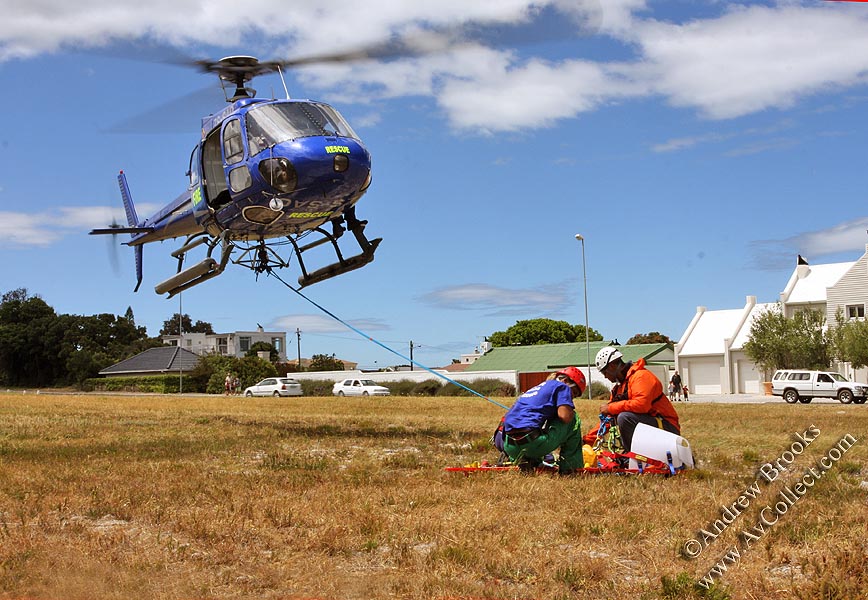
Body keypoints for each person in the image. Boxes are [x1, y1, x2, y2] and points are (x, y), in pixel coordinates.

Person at [501, 366, 586, 475]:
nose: (571, 398)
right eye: (573, 393)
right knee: (573, 419)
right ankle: (570, 468)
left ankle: (530, 462)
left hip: (510, 447)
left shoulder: (537, 388)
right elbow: (565, 416)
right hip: (532, 444)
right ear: (565, 380)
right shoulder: (562, 387)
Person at [595, 346, 680, 452]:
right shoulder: (620, 388)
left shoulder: (641, 376)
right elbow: (608, 419)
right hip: (653, 427)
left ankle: (633, 456)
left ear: (612, 366)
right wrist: (588, 439)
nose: (605, 377)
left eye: (604, 372)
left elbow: (641, 405)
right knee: (620, 417)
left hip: (668, 429)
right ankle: (633, 456)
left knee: (624, 417)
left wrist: (611, 408)